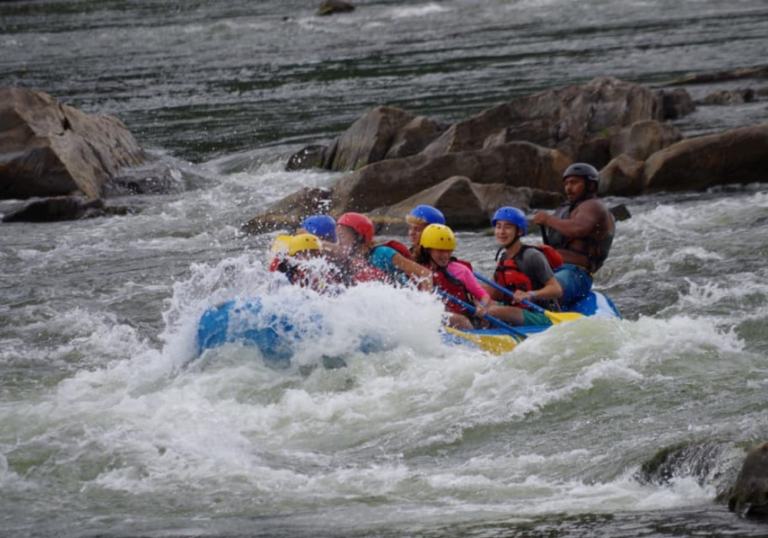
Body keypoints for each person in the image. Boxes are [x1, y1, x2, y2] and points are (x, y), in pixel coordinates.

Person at [532, 163, 615, 307]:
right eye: (566, 183)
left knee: (543, 296)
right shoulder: (566, 209)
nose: (568, 188)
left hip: (575, 273)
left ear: (591, 186)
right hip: (551, 269)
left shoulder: (594, 206)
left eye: (574, 183)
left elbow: (579, 228)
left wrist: (547, 219)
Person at [485, 207, 563, 327]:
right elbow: (489, 290)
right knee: (483, 305)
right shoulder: (504, 258)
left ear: (520, 232)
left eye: (508, 227)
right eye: (499, 226)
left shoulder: (532, 256)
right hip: (518, 311)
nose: (501, 232)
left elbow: (556, 289)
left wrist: (530, 294)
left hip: (543, 316)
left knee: (494, 311)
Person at [326, 212, 432, 291]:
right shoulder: (347, 257)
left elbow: (424, 273)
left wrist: (425, 303)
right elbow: (322, 245)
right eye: (337, 236)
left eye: (342, 236)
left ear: (359, 236)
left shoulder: (382, 253)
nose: (339, 242)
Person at [415, 224, 491, 330]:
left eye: (449, 250)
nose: (446, 255)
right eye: (440, 250)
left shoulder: (461, 271)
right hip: (434, 321)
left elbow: (484, 295)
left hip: (464, 321)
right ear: (428, 250)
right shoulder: (417, 270)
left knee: (458, 319)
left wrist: (482, 305)